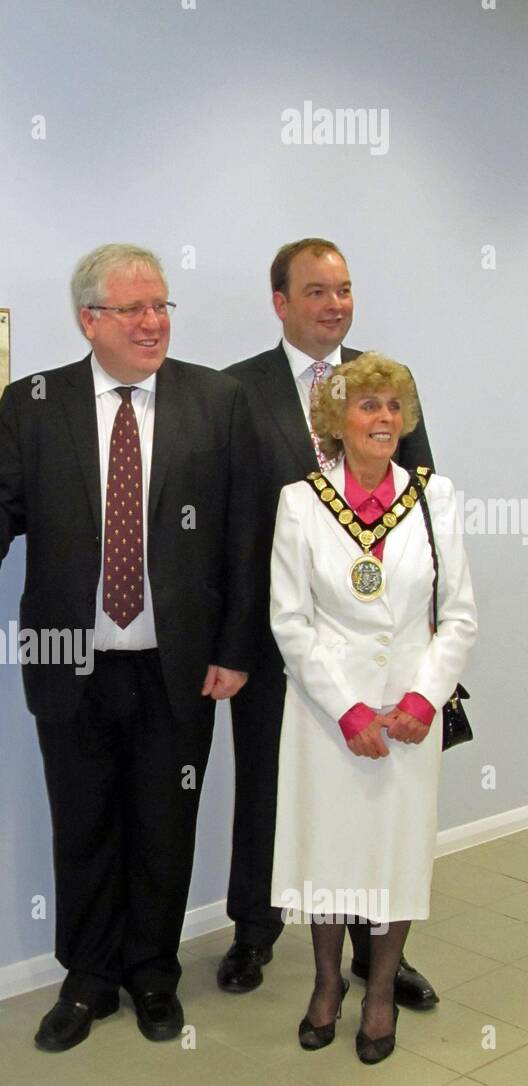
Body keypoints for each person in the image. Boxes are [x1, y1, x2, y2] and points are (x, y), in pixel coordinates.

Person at [0, 243, 260, 1051]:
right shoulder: (36, 401)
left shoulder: (215, 400)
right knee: (82, 820)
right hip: (69, 655)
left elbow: (241, 536)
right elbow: (0, 497)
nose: (154, 322)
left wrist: (235, 647)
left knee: (166, 822)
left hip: (181, 660)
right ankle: (89, 978)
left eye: (162, 306)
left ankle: (153, 971)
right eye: (134, 309)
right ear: (90, 319)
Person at [218, 238, 440, 1009]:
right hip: (273, 634)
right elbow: (227, 528)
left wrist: (432, 657)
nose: (334, 303)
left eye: (343, 288)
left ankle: (375, 959)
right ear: (280, 301)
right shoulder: (236, 390)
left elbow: (423, 508)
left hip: (378, 641)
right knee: (268, 789)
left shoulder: (385, 383)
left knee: (372, 796)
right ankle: (253, 931)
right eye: (316, 291)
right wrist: (230, 645)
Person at [269, 353, 476, 1062]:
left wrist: (424, 698)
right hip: (330, 716)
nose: (383, 419)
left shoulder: (434, 496)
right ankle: (327, 985)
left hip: (411, 716)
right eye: (368, 406)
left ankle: (380, 991)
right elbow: (290, 621)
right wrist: (349, 711)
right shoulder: (300, 502)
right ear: (337, 420)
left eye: (393, 407)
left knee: (395, 857)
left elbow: (460, 617)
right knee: (329, 854)